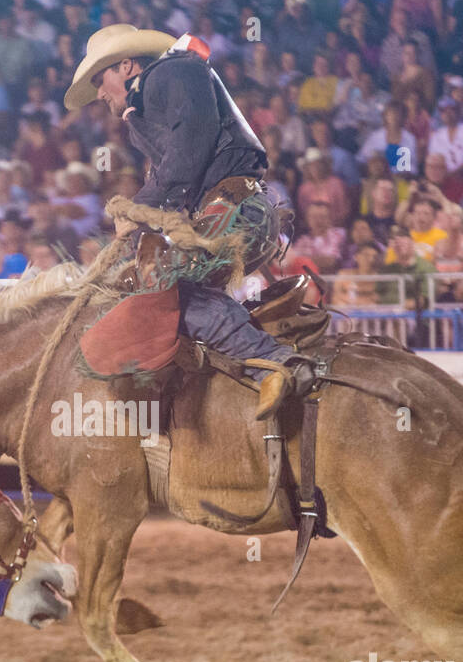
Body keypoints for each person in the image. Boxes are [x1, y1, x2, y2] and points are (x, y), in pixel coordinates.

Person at [64, 25, 318, 419]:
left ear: (127, 66)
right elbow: (181, 158)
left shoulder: (168, 74)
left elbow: (186, 154)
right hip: (237, 208)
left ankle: (273, 361)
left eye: (101, 79)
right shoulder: (160, 93)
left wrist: (138, 210)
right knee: (155, 286)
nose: (99, 93)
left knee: (169, 294)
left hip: (234, 211)